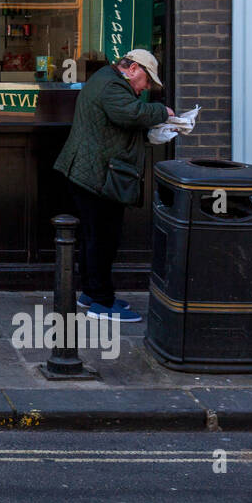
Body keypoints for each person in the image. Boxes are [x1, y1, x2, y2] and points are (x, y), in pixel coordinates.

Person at [53, 49, 174, 323]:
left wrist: (150, 132)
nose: (146, 88)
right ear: (132, 69)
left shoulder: (107, 79)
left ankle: (92, 294)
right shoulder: (112, 85)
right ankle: (103, 303)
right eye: (146, 81)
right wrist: (162, 112)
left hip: (90, 172)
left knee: (94, 237)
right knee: (103, 239)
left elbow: (119, 122)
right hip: (96, 175)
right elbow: (129, 114)